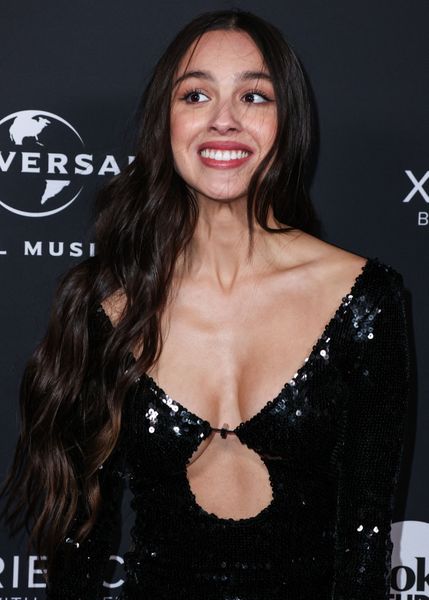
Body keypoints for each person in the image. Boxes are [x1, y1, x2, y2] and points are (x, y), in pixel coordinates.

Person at [0, 8, 410, 600]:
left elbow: (364, 552)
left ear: (287, 120)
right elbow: (78, 548)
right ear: (165, 121)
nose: (223, 120)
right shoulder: (109, 303)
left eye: (254, 97)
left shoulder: (363, 299)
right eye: (196, 95)